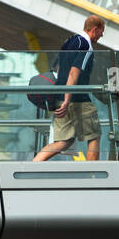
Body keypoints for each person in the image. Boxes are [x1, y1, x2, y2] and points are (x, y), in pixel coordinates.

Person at [34, 16, 106, 162]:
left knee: (63, 142)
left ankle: (31, 166)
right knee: (94, 136)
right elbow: (74, 72)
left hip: (60, 96)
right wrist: (68, 100)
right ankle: (93, 176)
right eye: (101, 32)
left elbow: (61, 68)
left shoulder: (69, 41)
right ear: (95, 29)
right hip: (77, 98)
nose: (102, 35)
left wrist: (62, 96)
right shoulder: (85, 45)